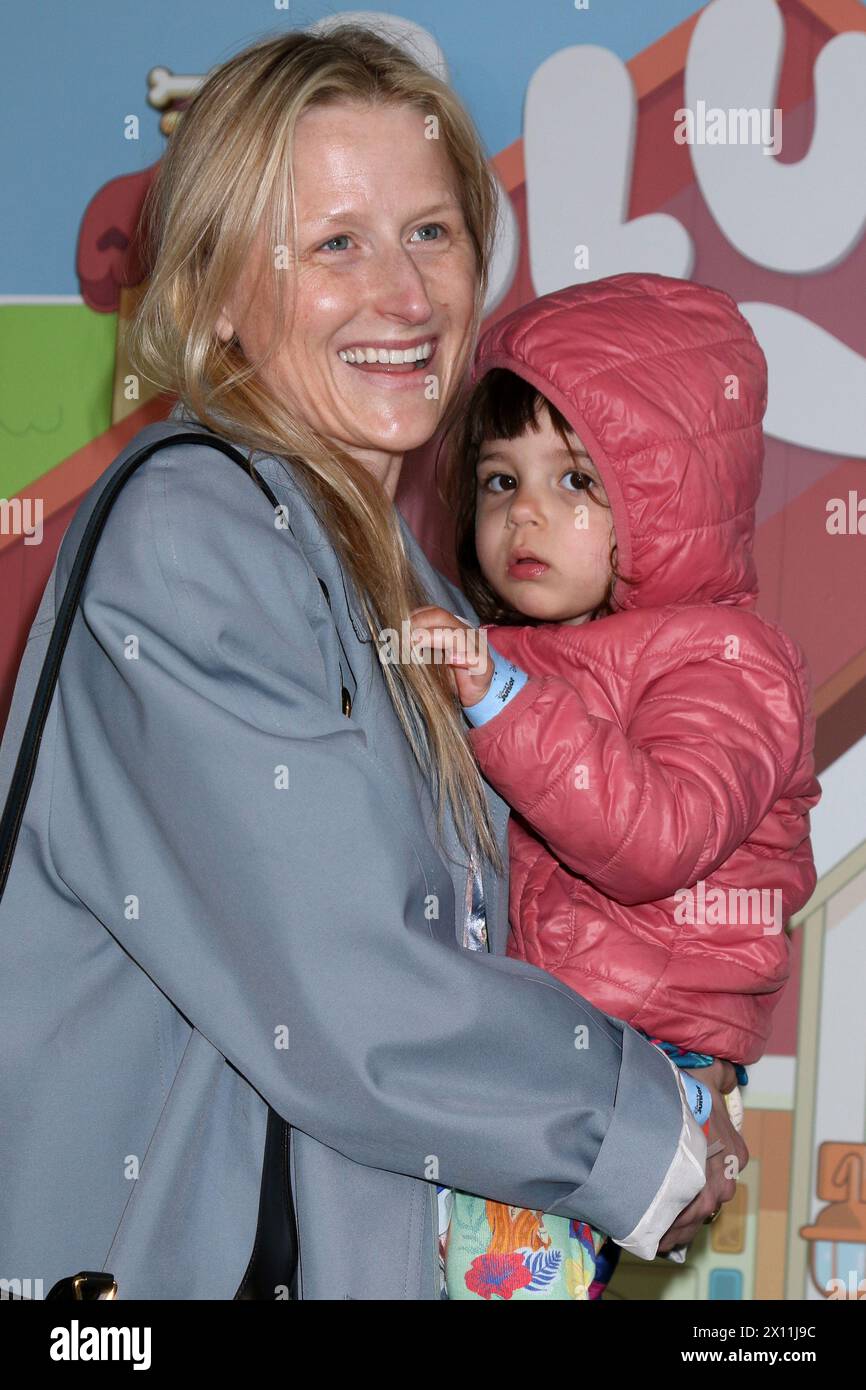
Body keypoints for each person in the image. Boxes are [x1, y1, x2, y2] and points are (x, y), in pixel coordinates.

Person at [0, 32, 739, 1301]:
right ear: (219, 288)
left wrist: (682, 1029)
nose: (402, 297)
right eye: (332, 243)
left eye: (430, 234)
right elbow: (348, 993)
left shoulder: (422, 588)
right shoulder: (195, 534)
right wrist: (642, 1127)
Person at [409, 273, 821, 1300]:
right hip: (554, 1036)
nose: (524, 516)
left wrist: (497, 697)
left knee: (493, 1278)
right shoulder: (512, 649)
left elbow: (653, 833)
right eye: (499, 481)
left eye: (576, 481)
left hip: (644, 1049)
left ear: (665, 498)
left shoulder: (725, 660)